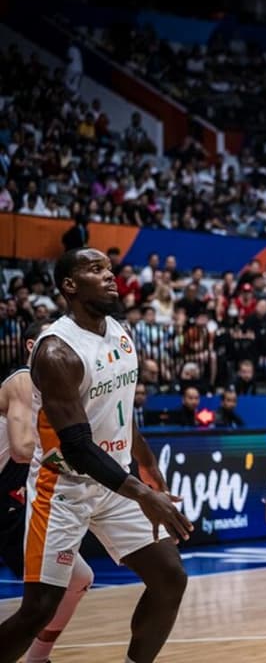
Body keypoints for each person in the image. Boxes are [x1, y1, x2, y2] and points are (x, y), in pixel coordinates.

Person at [0, 247, 192, 663]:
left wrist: (150, 468)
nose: (110, 275)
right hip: (63, 488)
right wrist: (143, 494)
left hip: (116, 482)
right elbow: (78, 447)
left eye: (109, 268)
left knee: (170, 579)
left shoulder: (119, 332)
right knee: (38, 609)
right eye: (95, 269)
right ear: (69, 286)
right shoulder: (57, 351)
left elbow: (123, 415)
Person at [0, 320, 95, 663]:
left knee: (78, 579)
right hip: (8, 496)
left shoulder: (55, 391)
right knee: (45, 598)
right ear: (31, 347)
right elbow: (24, 449)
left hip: (13, 500)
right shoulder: (25, 381)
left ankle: (38, 658)